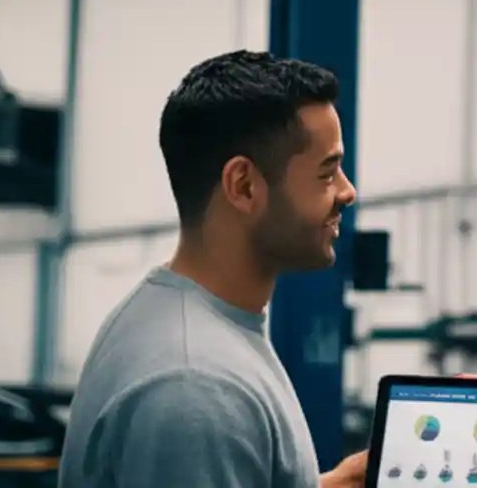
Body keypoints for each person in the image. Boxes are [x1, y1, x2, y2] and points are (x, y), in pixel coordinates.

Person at [59, 50, 368, 488]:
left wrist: (335, 483)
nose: (347, 191)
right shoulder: (195, 386)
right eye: (327, 172)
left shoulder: (179, 324)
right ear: (243, 186)